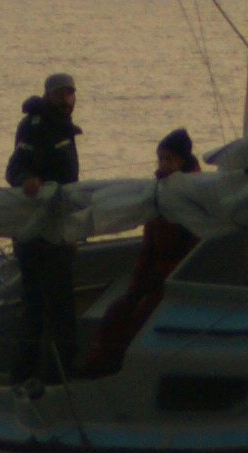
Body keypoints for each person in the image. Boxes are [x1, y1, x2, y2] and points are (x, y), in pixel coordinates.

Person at [83, 127, 205, 378]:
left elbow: (195, 251)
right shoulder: (159, 194)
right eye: (160, 159)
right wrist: (136, 290)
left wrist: (164, 284)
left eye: (168, 159)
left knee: (142, 315)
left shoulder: (194, 196)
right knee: (117, 311)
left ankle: (125, 370)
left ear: (182, 161)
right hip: (153, 278)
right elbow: (148, 249)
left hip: (176, 281)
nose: (162, 165)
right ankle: (98, 367)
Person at [5, 72, 83, 381]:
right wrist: (27, 180)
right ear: (49, 95)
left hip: (59, 228)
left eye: (70, 93)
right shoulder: (35, 126)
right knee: (45, 307)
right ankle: (45, 376)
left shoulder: (64, 127)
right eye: (61, 94)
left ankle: (55, 373)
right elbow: (14, 168)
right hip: (37, 234)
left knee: (55, 306)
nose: (66, 100)